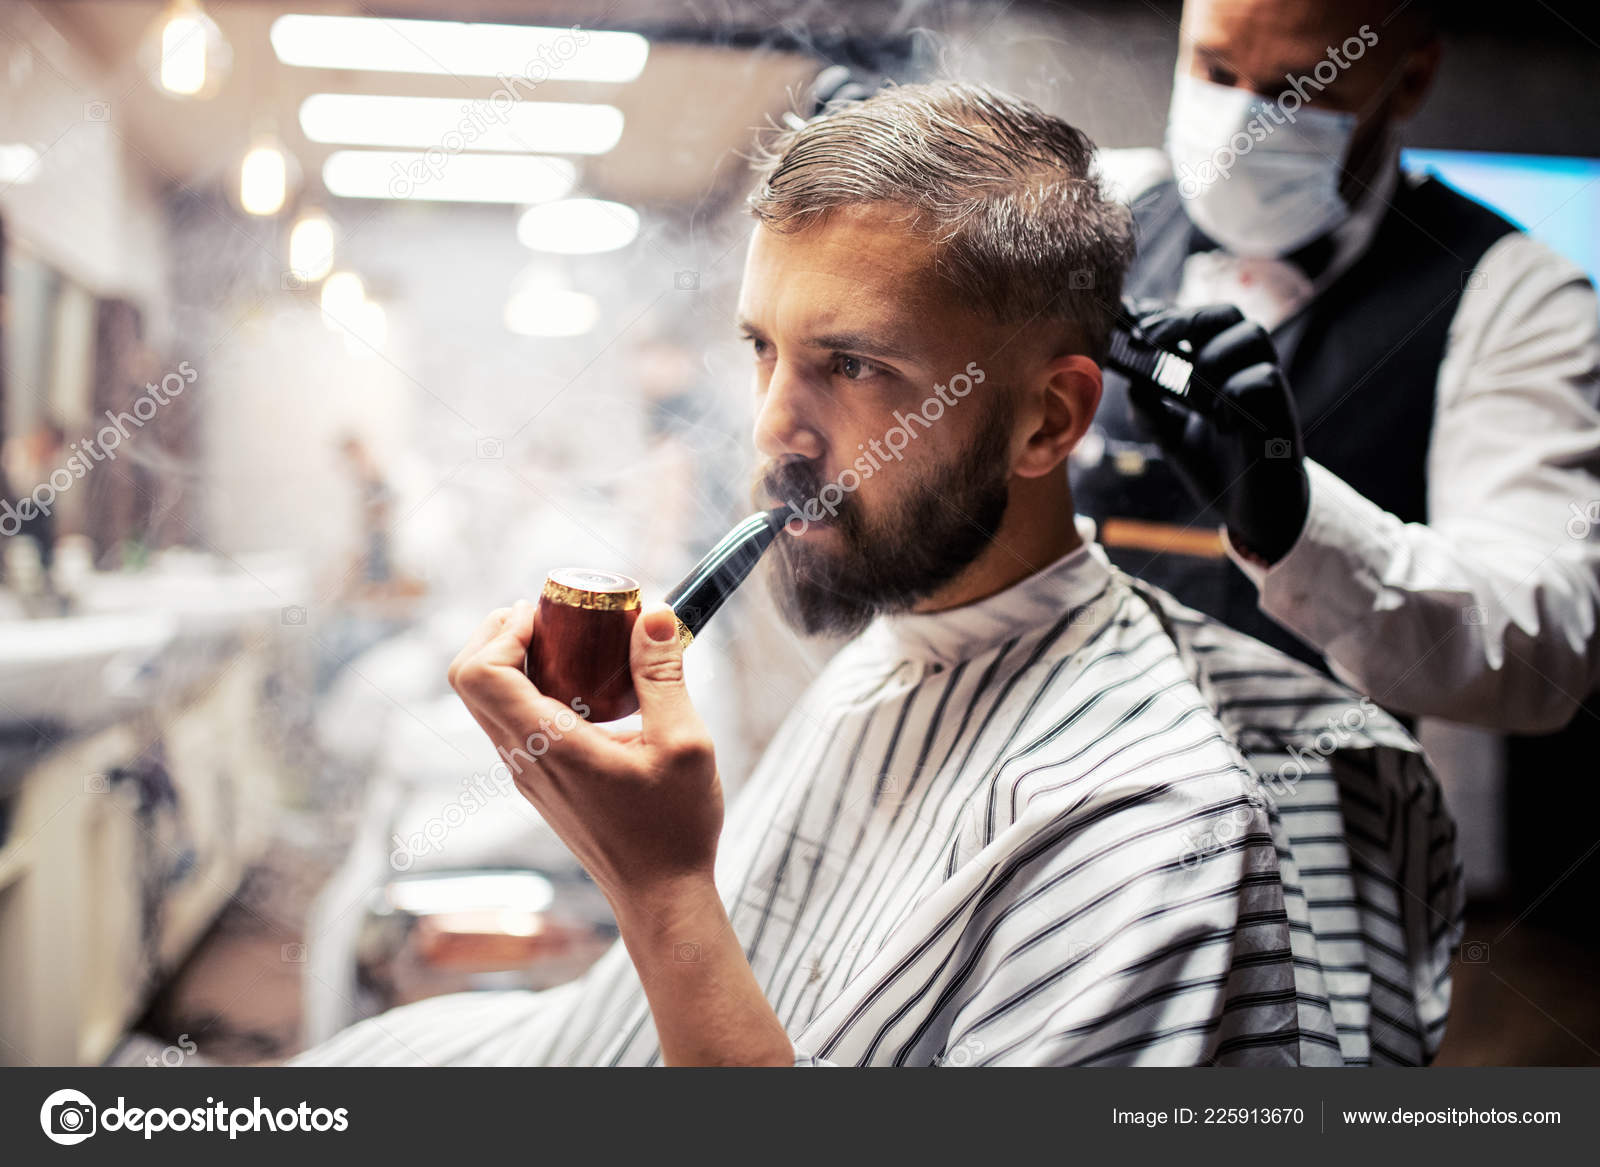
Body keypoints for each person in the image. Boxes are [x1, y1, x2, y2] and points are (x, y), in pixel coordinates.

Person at [293, 83, 1459, 1068]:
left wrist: (657, 891)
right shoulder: (906, 643)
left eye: (849, 365)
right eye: (764, 350)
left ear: (1047, 421)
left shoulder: (1146, 826)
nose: (771, 432)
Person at [1076, 0, 1600, 733]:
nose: (1239, 128)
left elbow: (1547, 645)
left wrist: (1301, 526)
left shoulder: (1513, 296)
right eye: (1216, 70)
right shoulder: (1101, 210)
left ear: (1410, 80)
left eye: (1300, 90)